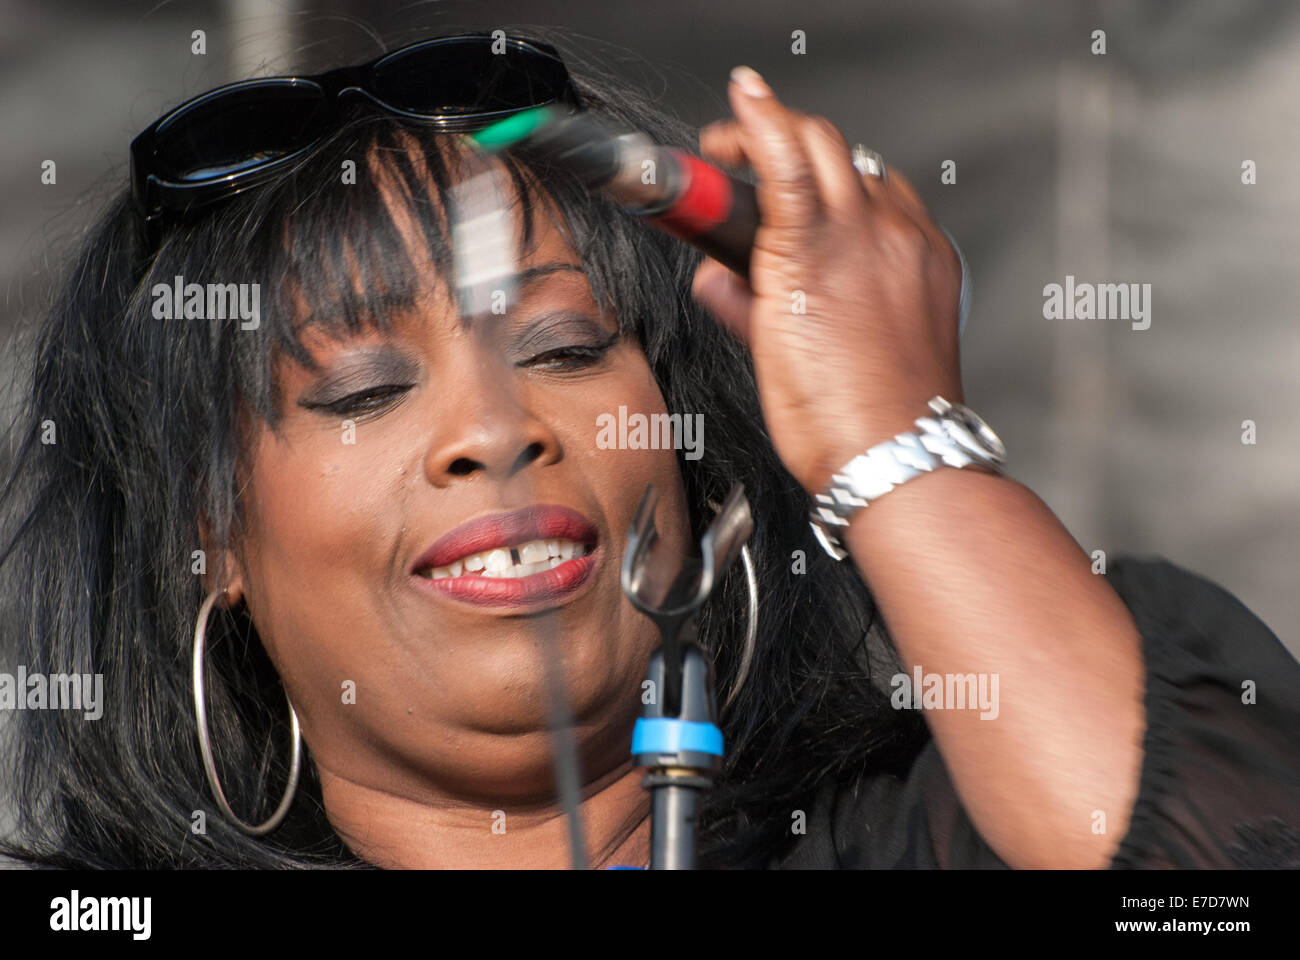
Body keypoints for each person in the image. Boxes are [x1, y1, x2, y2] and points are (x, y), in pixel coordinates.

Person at [1, 31, 1296, 870]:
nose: (498, 432)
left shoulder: (928, 830)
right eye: (363, 389)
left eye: (566, 351)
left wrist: (894, 437)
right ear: (210, 538)